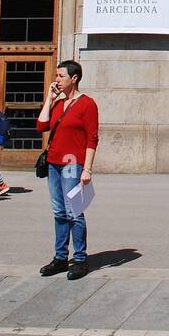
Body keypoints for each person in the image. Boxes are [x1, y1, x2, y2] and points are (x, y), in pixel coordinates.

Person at [34, 60, 98, 280]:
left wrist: (87, 169)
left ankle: (80, 259)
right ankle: (60, 258)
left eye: (61, 76)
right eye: (57, 76)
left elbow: (92, 138)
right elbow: (41, 126)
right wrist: (49, 99)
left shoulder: (87, 104)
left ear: (74, 78)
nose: (57, 80)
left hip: (73, 165)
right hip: (53, 164)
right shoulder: (59, 104)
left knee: (74, 213)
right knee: (59, 212)